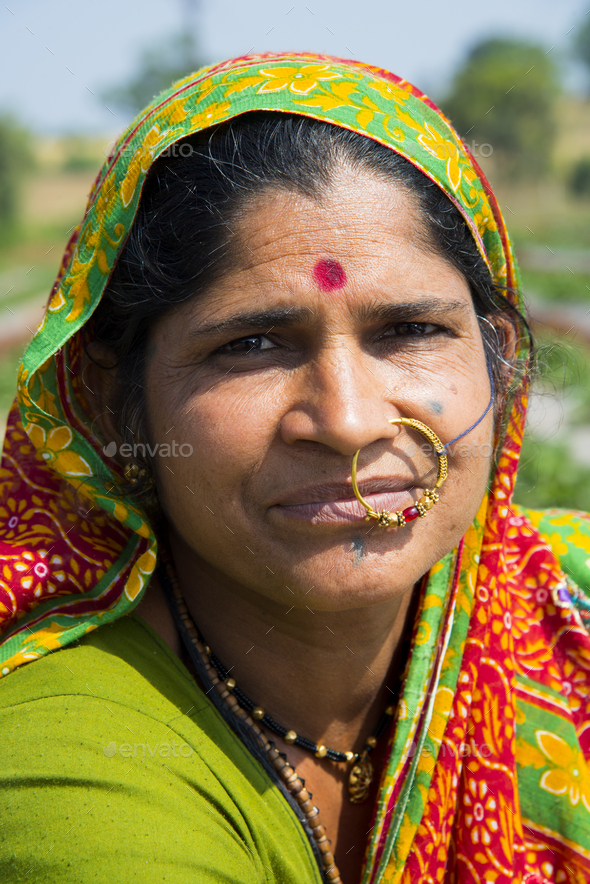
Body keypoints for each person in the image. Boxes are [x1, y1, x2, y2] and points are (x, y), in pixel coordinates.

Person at [0, 52, 589, 884]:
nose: (348, 422)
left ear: (497, 359)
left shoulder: (569, 616)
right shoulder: (66, 757)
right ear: (110, 399)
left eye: (410, 331)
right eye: (250, 346)